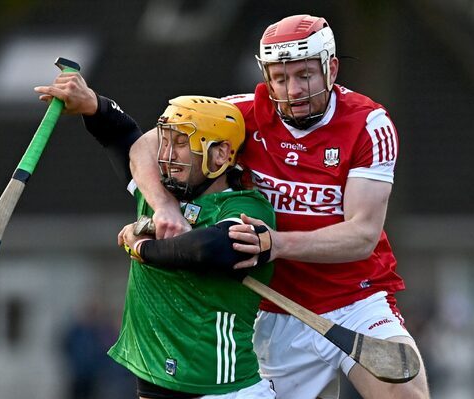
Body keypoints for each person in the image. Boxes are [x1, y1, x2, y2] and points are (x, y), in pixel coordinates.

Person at [125, 14, 430, 399]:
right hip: (275, 309)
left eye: (305, 75)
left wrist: (277, 244)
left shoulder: (368, 125)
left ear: (331, 68)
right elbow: (144, 146)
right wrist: (163, 207)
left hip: (356, 301)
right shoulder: (242, 114)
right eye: (280, 78)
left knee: (406, 393)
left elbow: (361, 236)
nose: (293, 90)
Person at [35, 79, 277, 398]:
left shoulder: (245, 207)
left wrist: (142, 247)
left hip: (222, 390)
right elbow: (122, 136)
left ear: (219, 155)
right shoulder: (159, 196)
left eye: (181, 143)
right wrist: (92, 104)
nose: (166, 155)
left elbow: (210, 248)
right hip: (154, 385)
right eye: (165, 141)